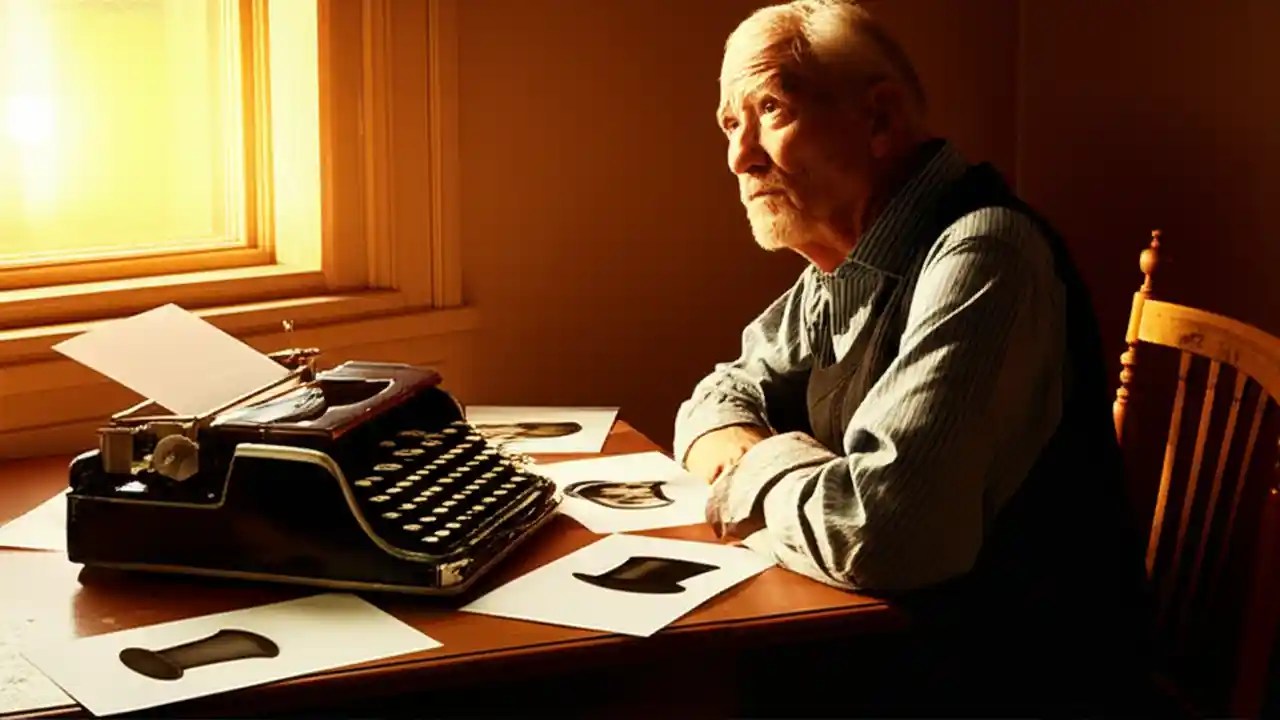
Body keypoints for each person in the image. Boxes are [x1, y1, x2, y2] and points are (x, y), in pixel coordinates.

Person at [672, 0, 1153, 714]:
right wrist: (784, 467)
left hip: (1013, 684)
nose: (739, 157)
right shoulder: (846, 265)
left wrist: (752, 467)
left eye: (770, 109)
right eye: (729, 125)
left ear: (879, 119)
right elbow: (715, 399)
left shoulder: (983, 254)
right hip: (877, 655)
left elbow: (886, 534)